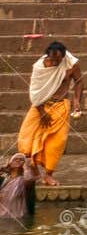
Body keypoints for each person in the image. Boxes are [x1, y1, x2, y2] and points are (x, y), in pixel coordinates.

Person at [17, 41, 82, 186]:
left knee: (56, 143)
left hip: (61, 105)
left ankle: (48, 175)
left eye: (58, 60)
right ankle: (33, 169)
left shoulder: (71, 64)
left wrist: (77, 100)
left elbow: (79, 81)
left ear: (64, 57)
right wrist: (41, 111)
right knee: (26, 137)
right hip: (40, 105)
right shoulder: (39, 67)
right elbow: (35, 91)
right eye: (52, 59)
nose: (54, 62)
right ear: (47, 56)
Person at [2, 153, 38, 225]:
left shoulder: (24, 181)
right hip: (2, 218)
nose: (18, 160)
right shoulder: (4, 180)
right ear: (10, 163)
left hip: (19, 219)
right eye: (15, 159)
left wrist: (26, 167)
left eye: (21, 160)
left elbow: (29, 180)